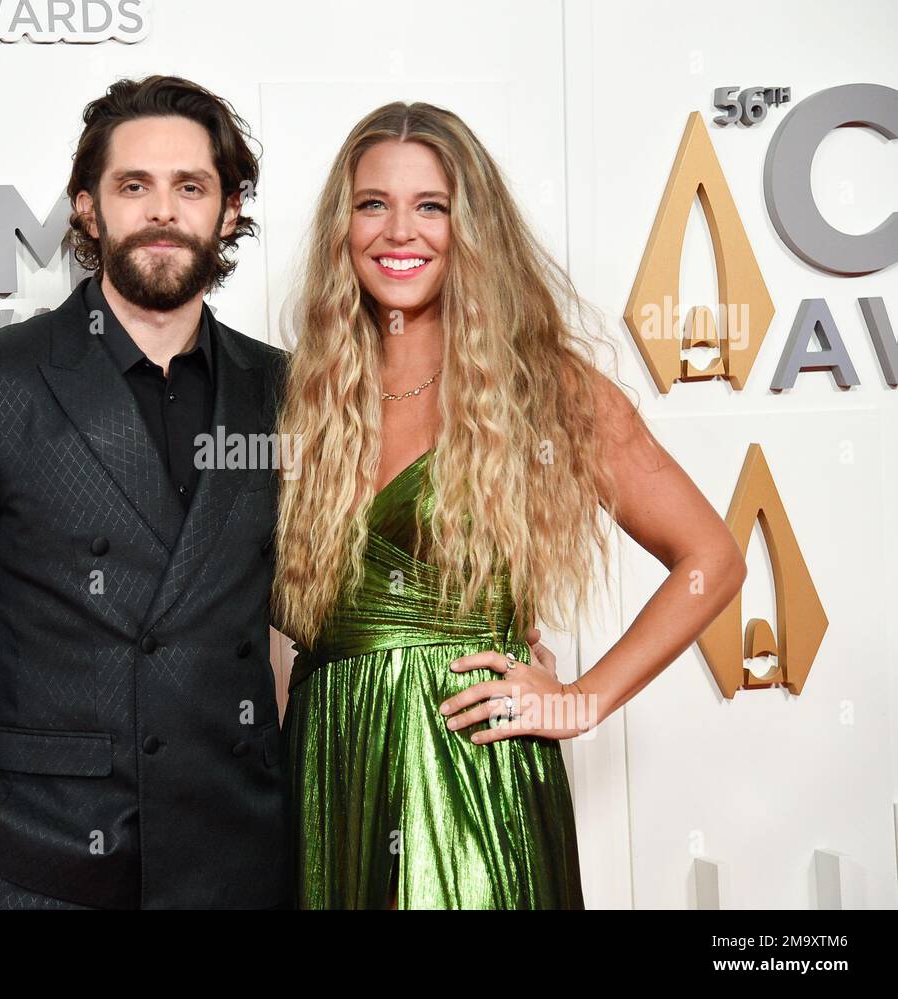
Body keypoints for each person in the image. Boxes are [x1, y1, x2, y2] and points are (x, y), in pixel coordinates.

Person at [271, 101, 748, 909]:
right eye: (372, 204)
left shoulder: (545, 389)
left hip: (472, 772)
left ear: (473, 227)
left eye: (432, 206)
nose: (399, 231)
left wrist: (581, 697)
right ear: (340, 228)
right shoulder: (299, 396)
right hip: (328, 765)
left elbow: (714, 557)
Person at [0, 75, 290, 909]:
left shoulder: (283, 390)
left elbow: (318, 592)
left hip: (238, 855)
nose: (162, 211)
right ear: (87, 208)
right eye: (134, 186)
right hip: (38, 859)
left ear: (229, 209)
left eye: (190, 186)